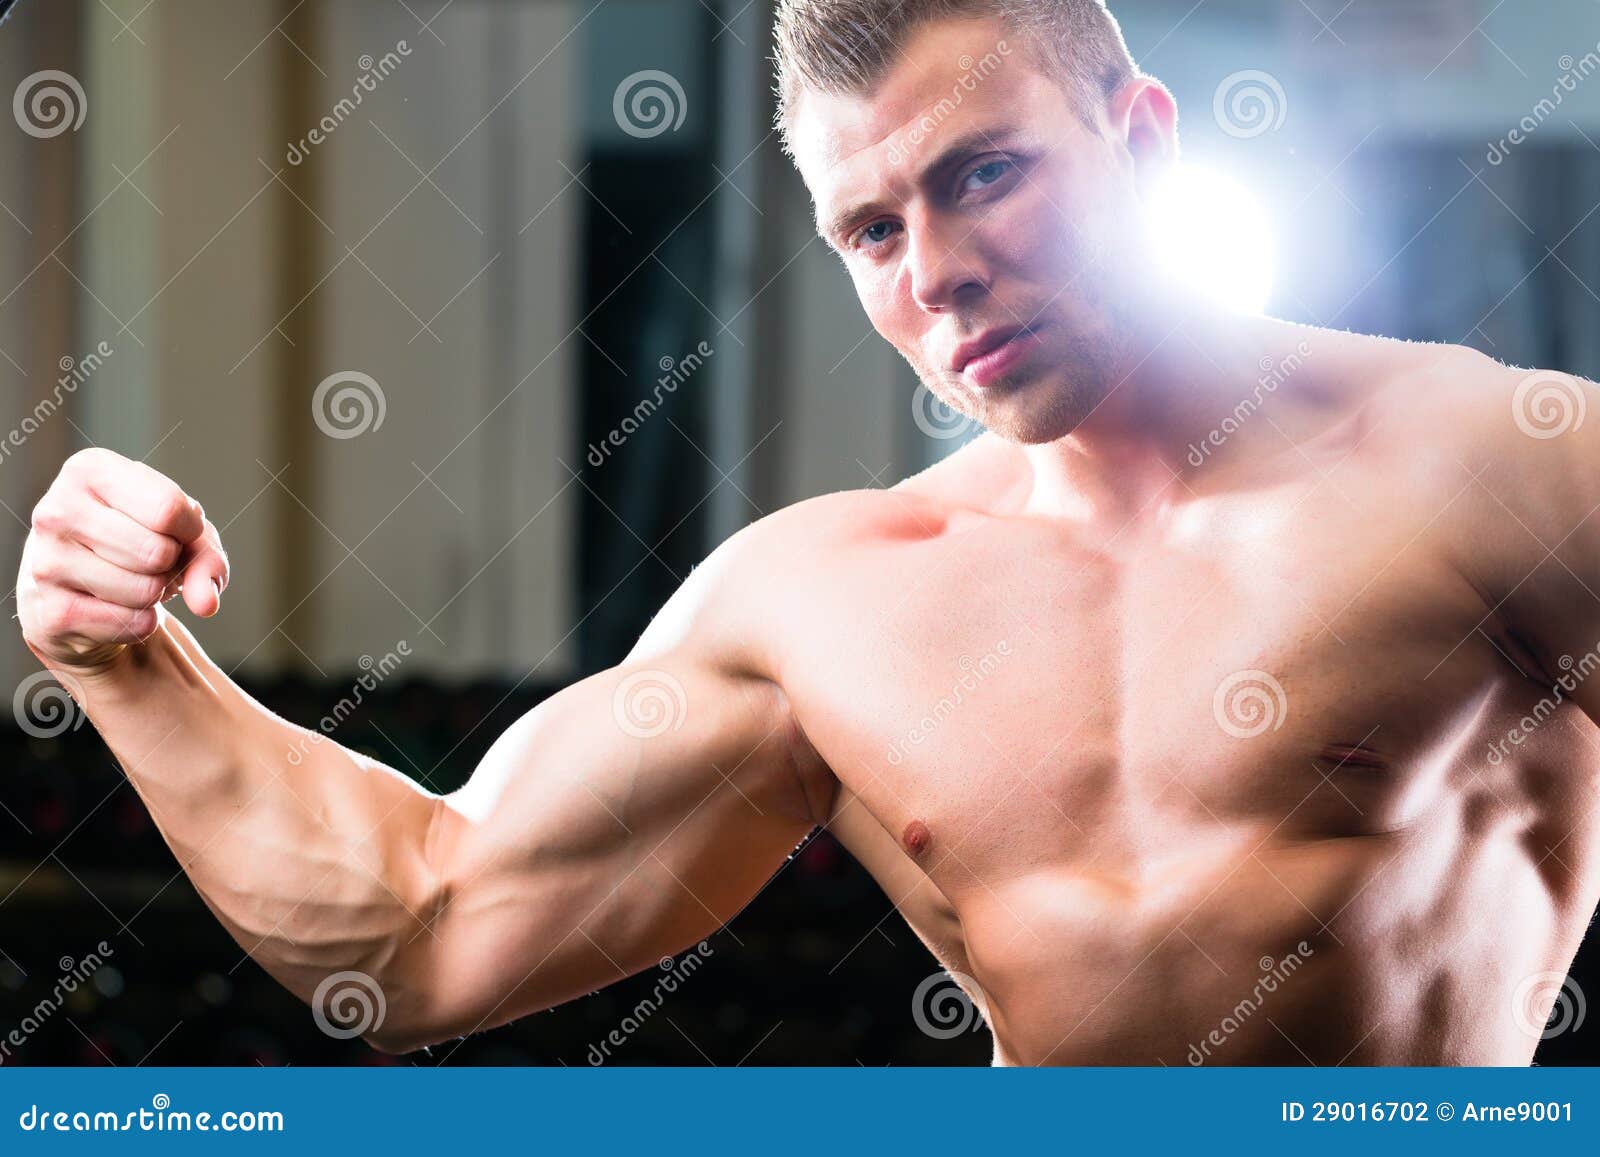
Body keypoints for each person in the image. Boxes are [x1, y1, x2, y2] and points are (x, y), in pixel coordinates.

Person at [16, 0, 1600, 1065]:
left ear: (1144, 138)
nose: (940, 271)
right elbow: (421, 926)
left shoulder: (1499, 467)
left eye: (987, 175)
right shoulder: (820, 602)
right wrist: (129, 661)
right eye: (871, 228)